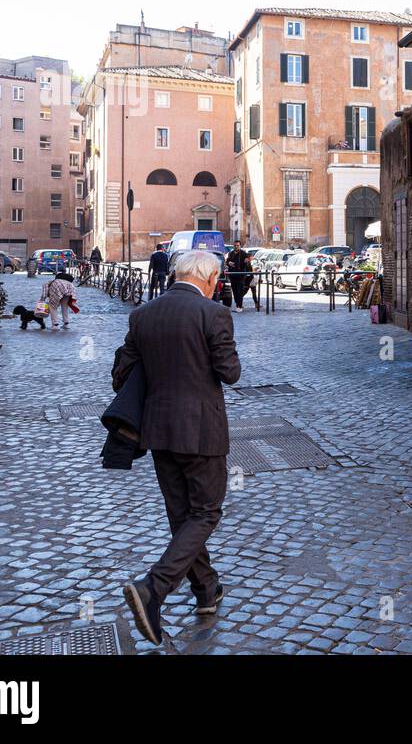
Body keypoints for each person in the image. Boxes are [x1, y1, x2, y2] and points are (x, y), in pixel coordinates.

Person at [115, 250, 241, 646]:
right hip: (201, 430)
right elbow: (230, 373)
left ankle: (206, 588)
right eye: (217, 280)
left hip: (158, 431)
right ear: (209, 278)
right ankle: (155, 586)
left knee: (182, 514)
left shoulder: (143, 315)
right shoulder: (213, 313)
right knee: (205, 512)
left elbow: (120, 374)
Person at [224, 241, 256, 314]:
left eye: (238, 245)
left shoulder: (243, 253)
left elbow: (250, 257)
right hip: (233, 275)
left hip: (241, 276)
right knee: (234, 291)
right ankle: (237, 304)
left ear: (240, 246)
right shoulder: (231, 253)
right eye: (235, 245)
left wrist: (247, 259)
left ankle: (239, 306)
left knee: (240, 291)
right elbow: (227, 260)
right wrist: (229, 263)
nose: (236, 247)